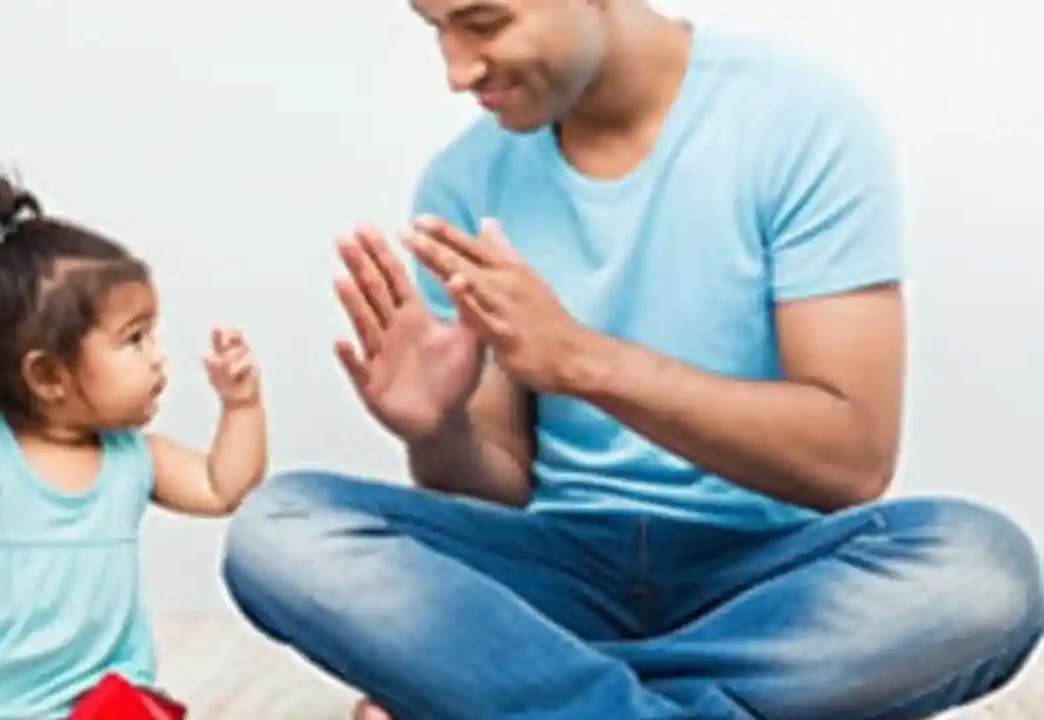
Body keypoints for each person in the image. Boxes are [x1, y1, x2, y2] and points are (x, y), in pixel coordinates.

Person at [221, 1, 1044, 718]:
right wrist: (436, 431)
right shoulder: (465, 180)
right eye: (435, 30)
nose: (456, 70)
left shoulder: (797, 120)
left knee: (981, 572)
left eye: (483, 22)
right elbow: (496, 486)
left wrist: (582, 361)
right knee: (281, 528)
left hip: (769, 580)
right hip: (558, 573)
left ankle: (509, 697)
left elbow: (850, 461)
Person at [0, 176, 268, 719]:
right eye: (134, 339)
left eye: (152, 336)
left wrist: (241, 407)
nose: (157, 358)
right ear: (49, 375)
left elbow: (221, 487)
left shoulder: (132, 457)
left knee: (136, 712)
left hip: (97, 695)